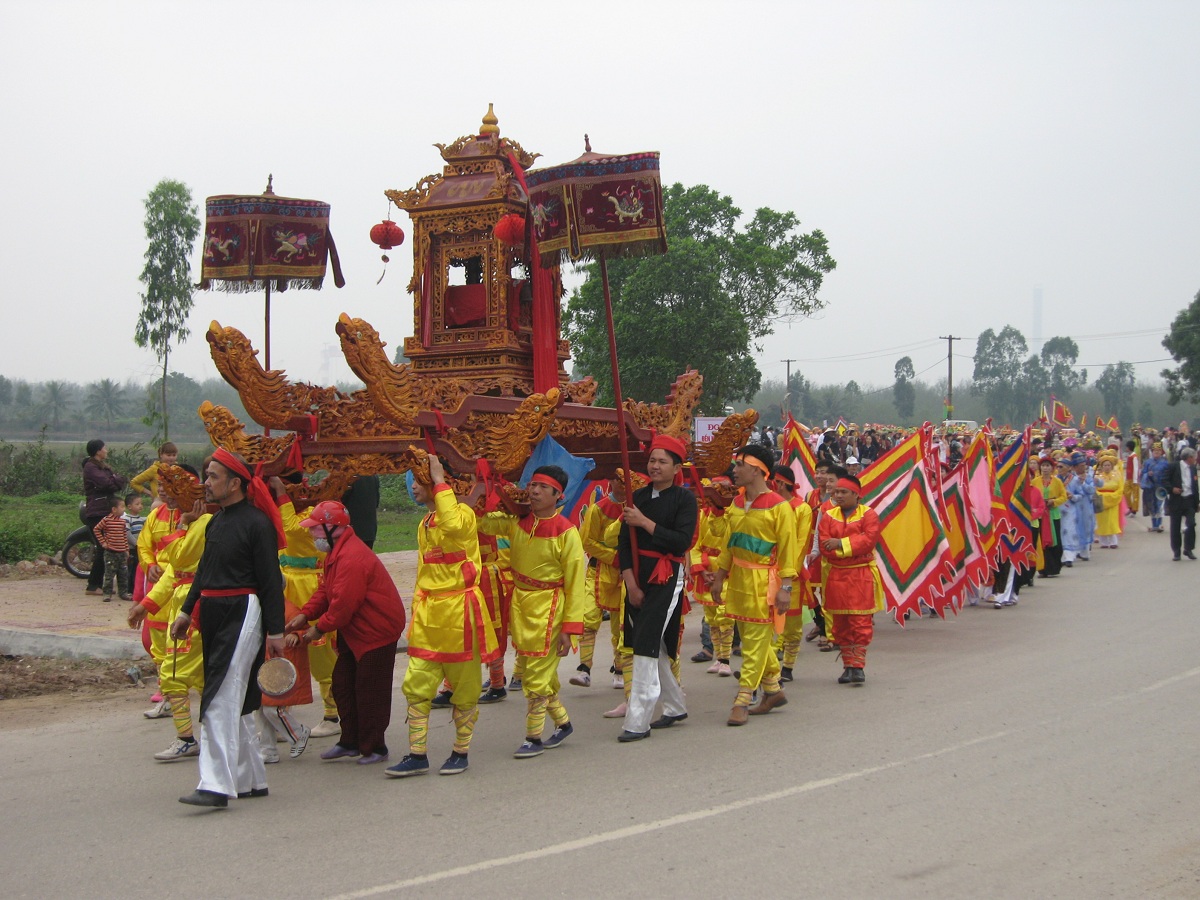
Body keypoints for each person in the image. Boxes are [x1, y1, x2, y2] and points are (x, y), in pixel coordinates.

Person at [170, 448, 287, 809]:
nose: (206, 483)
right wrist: (187, 611)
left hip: (243, 610)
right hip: (215, 611)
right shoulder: (216, 521)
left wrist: (276, 630)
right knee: (230, 699)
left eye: (213, 476)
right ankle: (251, 778)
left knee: (219, 699)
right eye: (207, 475)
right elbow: (204, 571)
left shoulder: (257, 524)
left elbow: (270, 580)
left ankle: (216, 785)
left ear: (235, 483)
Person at [381, 456, 492, 777]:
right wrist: (415, 616)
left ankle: (461, 751)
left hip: (460, 614)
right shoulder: (424, 524)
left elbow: (454, 525)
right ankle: (417, 754)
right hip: (429, 618)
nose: (413, 485)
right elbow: (422, 575)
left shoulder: (465, 515)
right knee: (416, 684)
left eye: (420, 479)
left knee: (465, 686)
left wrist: (439, 478)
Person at [286, 500, 407, 769]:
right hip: (358, 630)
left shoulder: (351, 557)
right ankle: (350, 741)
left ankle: (375, 745)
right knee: (343, 684)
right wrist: (305, 614)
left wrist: (315, 629)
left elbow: (342, 606)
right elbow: (325, 591)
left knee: (370, 691)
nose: (311, 535)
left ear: (331, 528)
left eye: (315, 530)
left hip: (377, 632)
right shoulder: (336, 552)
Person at [478, 464, 586, 759]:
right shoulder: (516, 521)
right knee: (537, 672)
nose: (534, 491)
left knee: (535, 676)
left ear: (557, 495)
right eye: (532, 485)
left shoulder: (567, 533)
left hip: (550, 606)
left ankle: (533, 736)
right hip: (521, 603)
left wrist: (570, 628)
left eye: (542, 487)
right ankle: (563, 723)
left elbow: (576, 583)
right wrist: (487, 492)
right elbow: (484, 524)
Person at [616, 435, 698, 742]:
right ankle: (675, 705)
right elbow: (623, 542)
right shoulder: (636, 496)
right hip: (638, 576)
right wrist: (630, 581)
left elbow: (681, 541)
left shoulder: (684, 500)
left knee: (646, 643)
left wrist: (645, 522)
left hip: (667, 575)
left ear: (677, 467)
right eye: (652, 460)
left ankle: (637, 720)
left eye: (663, 461)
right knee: (650, 641)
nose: (655, 466)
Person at [711, 444, 797, 726]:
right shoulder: (736, 503)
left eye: (739, 466)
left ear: (758, 470)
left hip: (764, 583)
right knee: (752, 640)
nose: (734, 471)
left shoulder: (779, 507)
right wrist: (720, 576)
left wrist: (786, 587)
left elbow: (788, 549)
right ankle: (772, 689)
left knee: (755, 642)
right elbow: (728, 543)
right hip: (738, 581)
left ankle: (743, 699)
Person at [818, 473, 883, 685]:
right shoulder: (828, 515)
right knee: (840, 623)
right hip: (836, 575)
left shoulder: (869, 514)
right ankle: (848, 665)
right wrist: (844, 548)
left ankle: (858, 665)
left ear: (857, 495)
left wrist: (840, 544)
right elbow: (824, 545)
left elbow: (868, 541)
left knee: (860, 621)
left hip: (860, 574)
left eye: (843, 492)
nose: (838, 495)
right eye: (836, 492)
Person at [771, 465, 814, 683]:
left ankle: (787, 666)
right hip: (767, 571)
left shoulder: (802, 509)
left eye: (775, 482)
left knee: (792, 622)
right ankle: (767, 667)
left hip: (791, 574)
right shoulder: (771, 506)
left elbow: (801, 543)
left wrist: (788, 572)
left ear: (781, 483)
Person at [82, 439, 127, 596]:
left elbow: (116, 482)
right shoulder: (90, 467)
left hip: (105, 508)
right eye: (104, 448)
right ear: (97, 451)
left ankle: (99, 584)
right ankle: (93, 585)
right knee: (103, 548)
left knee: (107, 548)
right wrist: (115, 480)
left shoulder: (101, 466)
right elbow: (107, 484)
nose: (106, 450)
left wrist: (114, 481)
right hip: (97, 511)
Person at [93, 495, 131, 601]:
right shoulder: (106, 520)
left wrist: (126, 549)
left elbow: (124, 536)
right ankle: (107, 594)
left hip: (121, 552)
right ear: (114, 509)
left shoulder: (122, 521)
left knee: (123, 574)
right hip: (111, 552)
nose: (124, 509)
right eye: (122, 507)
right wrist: (103, 543)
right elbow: (96, 529)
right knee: (109, 574)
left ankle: (123, 593)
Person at [1167, 446, 1198, 561]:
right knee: (1175, 527)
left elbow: (1195, 486)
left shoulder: (1193, 468)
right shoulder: (1174, 466)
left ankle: (1188, 549)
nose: (1195, 459)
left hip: (1189, 500)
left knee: (1191, 524)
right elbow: (1165, 481)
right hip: (1177, 500)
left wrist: (1197, 503)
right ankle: (1176, 551)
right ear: (1189, 458)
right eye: (1194, 457)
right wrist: (1172, 489)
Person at [1093, 454, 1125, 549]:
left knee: (1111, 521)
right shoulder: (1098, 477)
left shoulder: (1117, 475)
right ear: (1101, 467)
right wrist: (1100, 496)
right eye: (1105, 465)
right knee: (1101, 521)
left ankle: (1113, 541)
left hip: (1113, 500)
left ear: (1112, 466)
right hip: (1100, 500)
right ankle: (1104, 542)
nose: (1107, 467)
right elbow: (1094, 488)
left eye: (1108, 465)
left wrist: (1113, 496)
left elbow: (1120, 488)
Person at [341, 474, 380, 549]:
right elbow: (376, 501)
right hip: (369, 528)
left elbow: (340, 500)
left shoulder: (349, 475)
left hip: (352, 528)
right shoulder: (373, 474)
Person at [1142, 442, 1170, 533]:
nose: (1157, 452)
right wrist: (1147, 474)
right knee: (1151, 505)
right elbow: (1142, 473)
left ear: (1161, 452)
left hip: (1161, 487)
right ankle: (1154, 525)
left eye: (1158, 450)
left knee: (1160, 505)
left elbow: (1169, 475)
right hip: (1150, 487)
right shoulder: (1147, 462)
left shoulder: (1165, 463)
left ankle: (1159, 524)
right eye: (1155, 450)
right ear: (1152, 451)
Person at [122, 492, 146, 596]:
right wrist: (136, 544)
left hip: (139, 547)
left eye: (141, 503)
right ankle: (129, 589)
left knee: (137, 568)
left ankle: (136, 589)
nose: (140, 506)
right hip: (132, 548)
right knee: (131, 569)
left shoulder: (141, 519)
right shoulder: (127, 519)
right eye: (137, 504)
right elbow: (127, 533)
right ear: (129, 507)